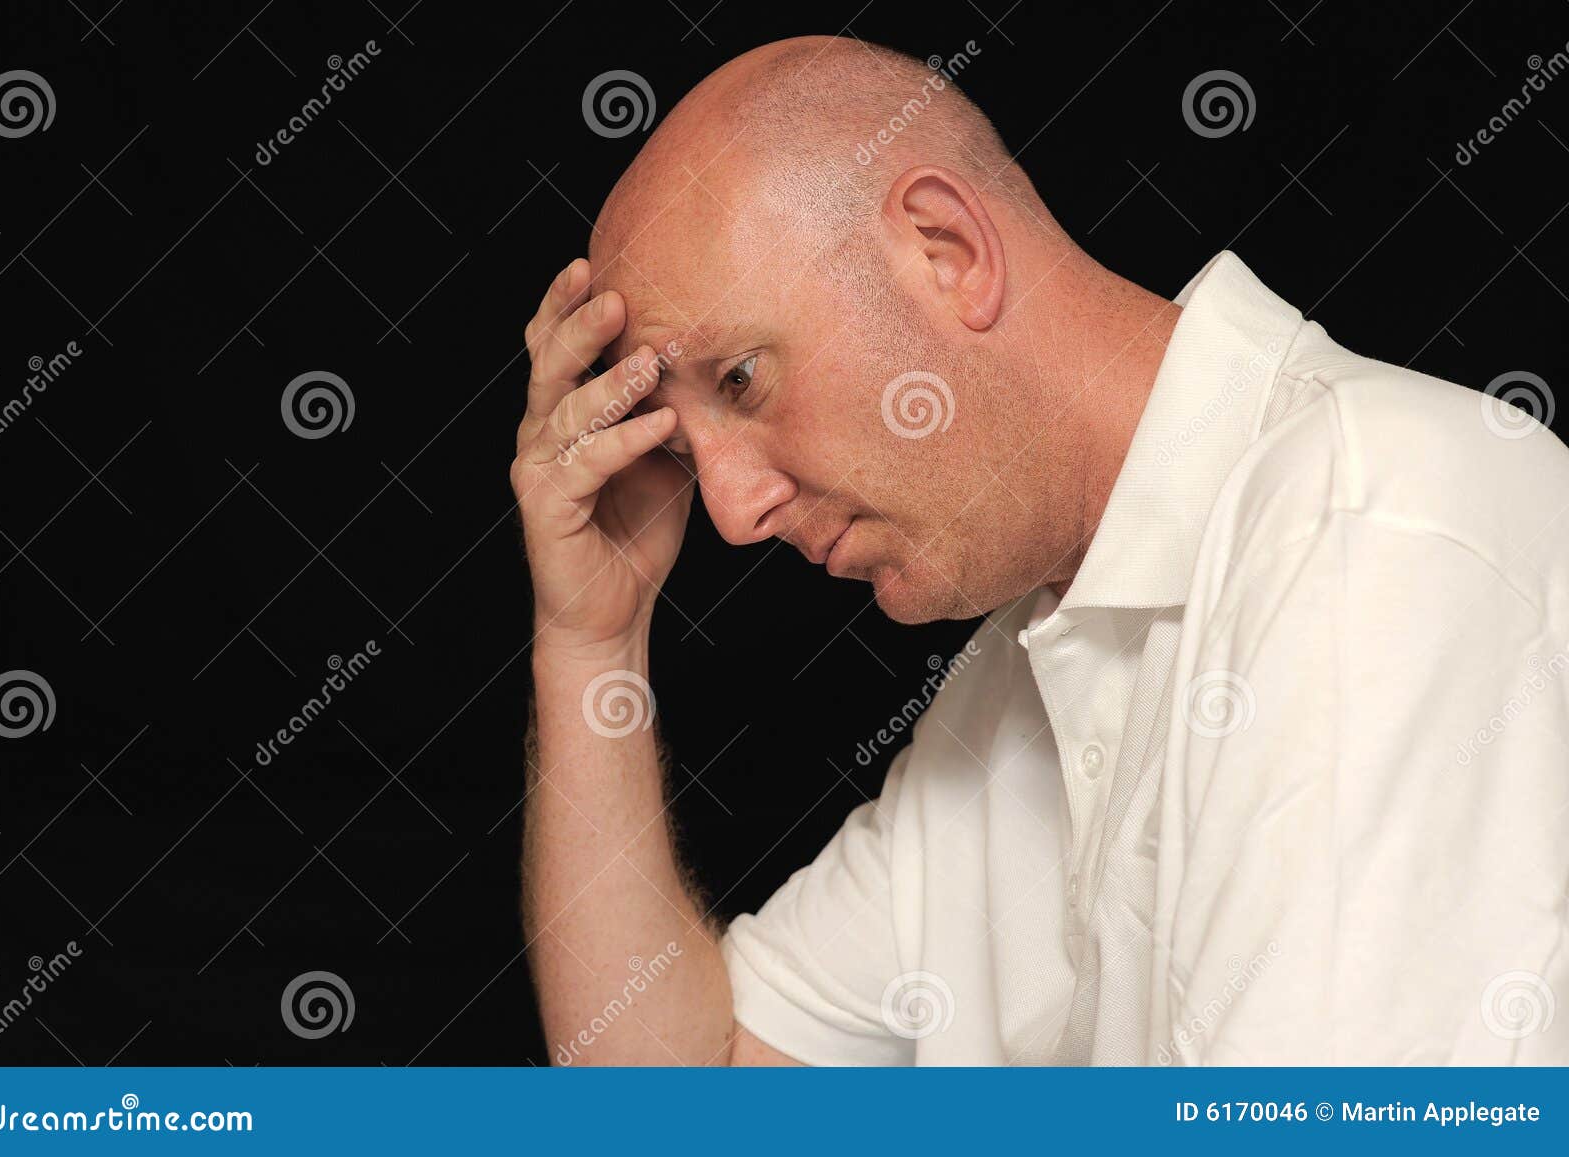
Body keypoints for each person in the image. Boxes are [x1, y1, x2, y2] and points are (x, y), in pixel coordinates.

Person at [510, 35, 1569, 1064]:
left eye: (741, 379)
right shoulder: (1012, 685)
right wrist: (590, 639)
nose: (734, 514)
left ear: (945, 249)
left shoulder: (1373, 523)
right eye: (691, 456)